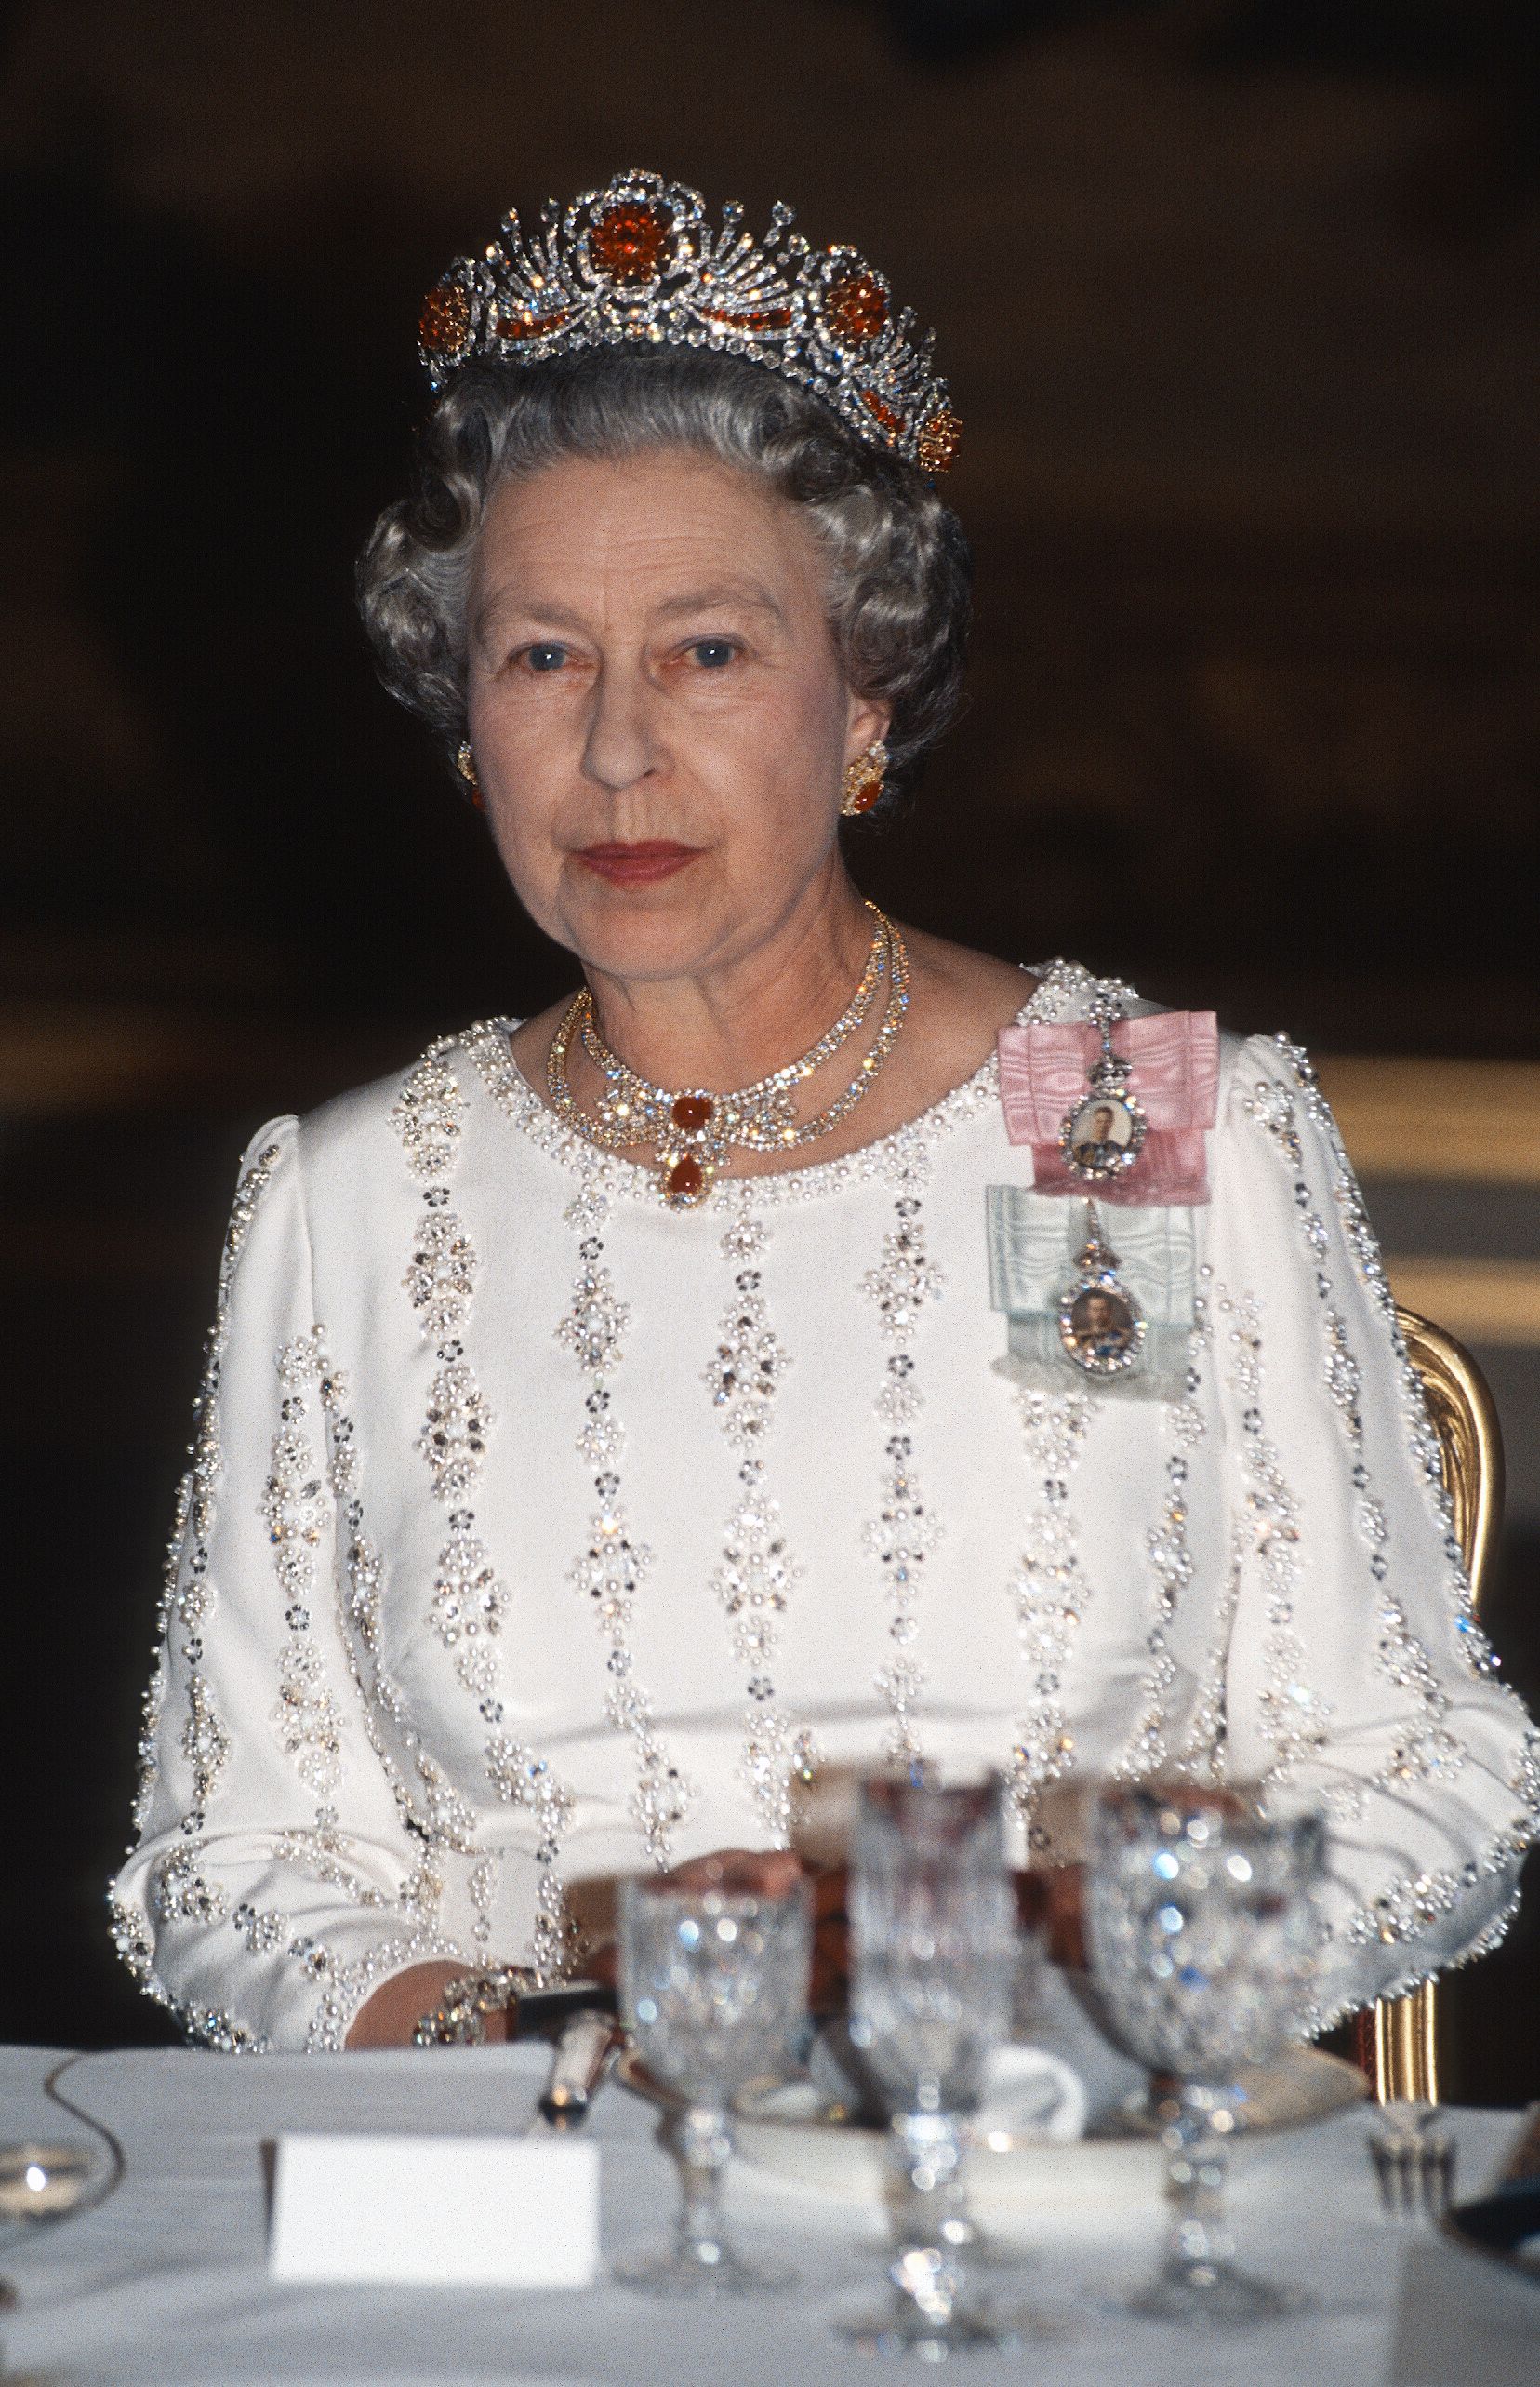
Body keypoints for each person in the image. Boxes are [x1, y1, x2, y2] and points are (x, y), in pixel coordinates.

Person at [112, 169, 1536, 2057]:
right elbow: (232, 1857)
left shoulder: (1095, 1125)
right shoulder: (362, 1196)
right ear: (466, 723)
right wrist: (549, 2059)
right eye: (545, 655)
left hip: (1043, 2204)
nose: (621, 747)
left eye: (709, 650)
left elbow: (1417, 1763)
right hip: (528, 2252)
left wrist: (1021, 1991)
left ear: (863, 693)